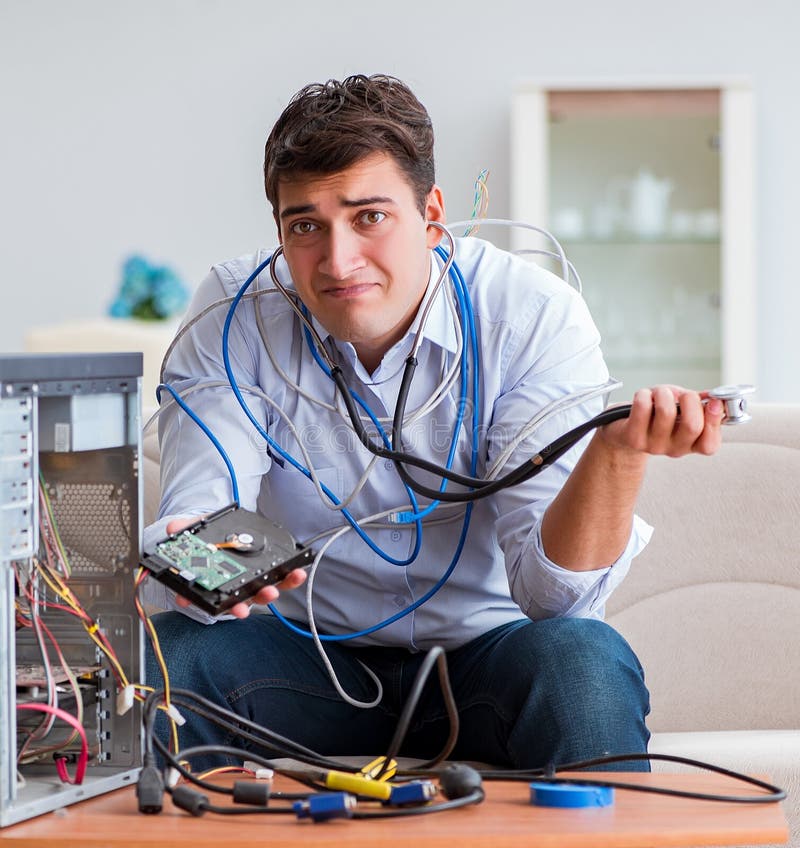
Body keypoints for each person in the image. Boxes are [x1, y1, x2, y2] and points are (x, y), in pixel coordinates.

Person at [144, 74, 724, 771]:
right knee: (169, 655)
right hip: (305, 659)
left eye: (369, 217)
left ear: (432, 215)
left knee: (583, 661)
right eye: (306, 227)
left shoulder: (528, 314)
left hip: (485, 658)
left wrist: (617, 456)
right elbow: (201, 529)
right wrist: (197, 566)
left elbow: (555, 598)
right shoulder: (234, 313)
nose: (338, 261)